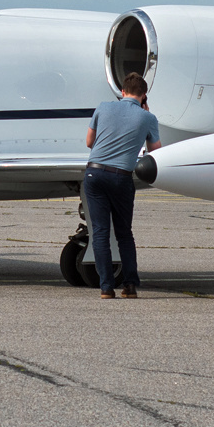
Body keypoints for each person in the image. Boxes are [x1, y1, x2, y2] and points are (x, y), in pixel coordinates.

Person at [83, 71, 161, 299]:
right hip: (120, 177)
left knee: (99, 232)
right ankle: (130, 285)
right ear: (144, 96)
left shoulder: (103, 107)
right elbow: (156, 151)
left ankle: (106, 287)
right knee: (124, 234)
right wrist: (144, 117)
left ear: (123, 92)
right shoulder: (148, 118)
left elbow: (89, 142)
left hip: (94, 174)